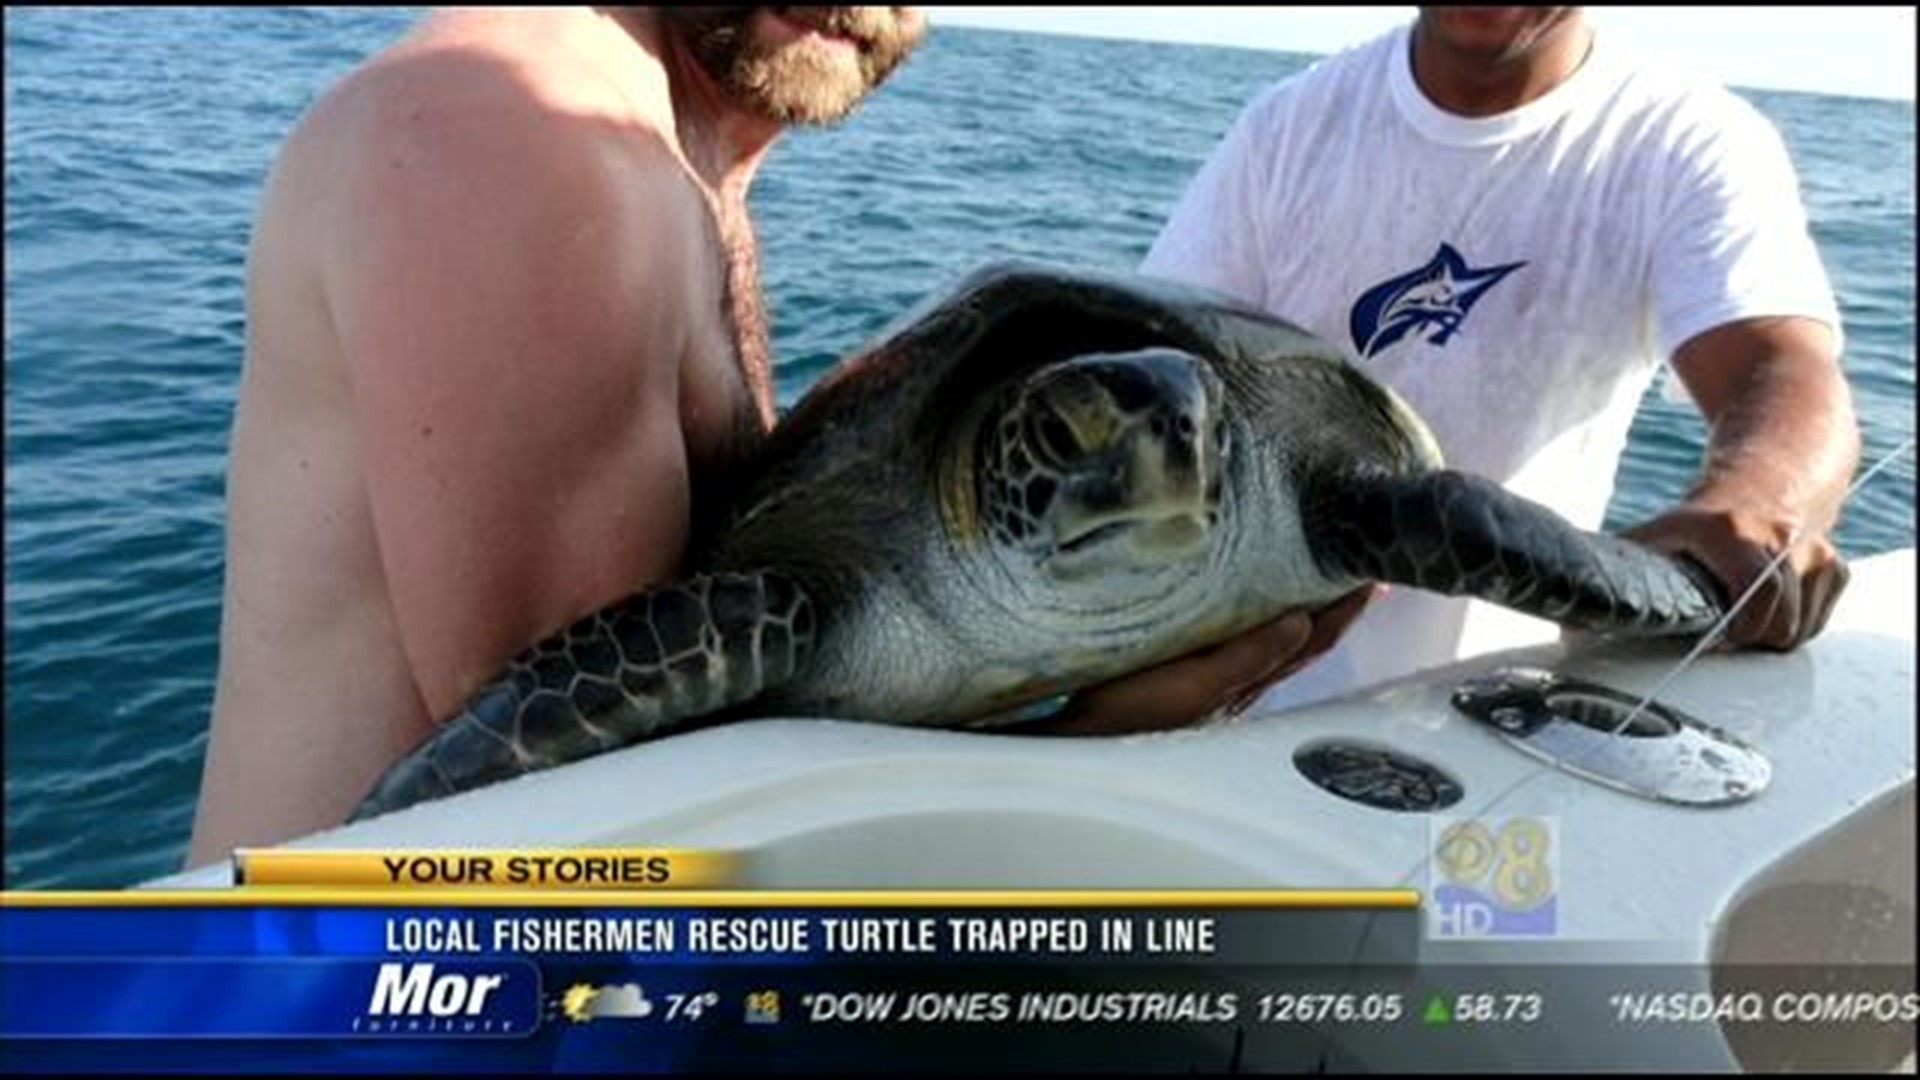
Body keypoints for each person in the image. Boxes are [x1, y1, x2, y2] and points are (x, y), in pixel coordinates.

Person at [185, 6, 1349, 868]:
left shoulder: (672, 165)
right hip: (329, 1004)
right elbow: (583, 797)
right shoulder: (525, 131)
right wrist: (1088, 728)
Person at [1140, 6, 1860, 712]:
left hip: (1497, 712)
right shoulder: (1288, 126)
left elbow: (1781, 364)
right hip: (1239, 703)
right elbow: (1153, 375)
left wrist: (1759, 504)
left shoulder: (1688, 140)